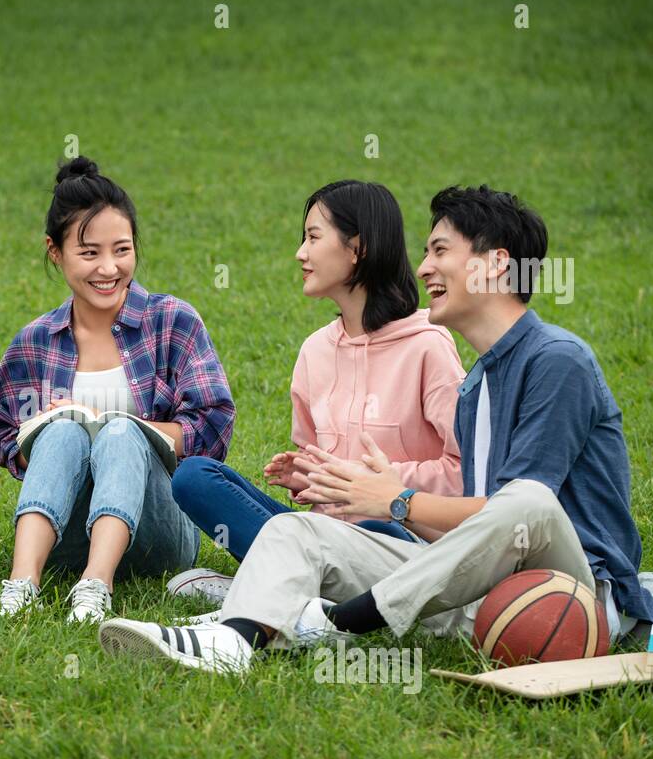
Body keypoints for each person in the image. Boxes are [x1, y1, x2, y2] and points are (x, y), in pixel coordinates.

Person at [99, 184, 653, 673]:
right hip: (474, 585)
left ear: (495, 264)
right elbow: (472, 529)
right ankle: (235, 641)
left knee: (525, 499)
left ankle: (330, 620)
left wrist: (397, 500)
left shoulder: (556, 360)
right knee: (296, 533)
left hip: (572, 590)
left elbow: (523, 521)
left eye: (440, 250)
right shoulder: (479, 382)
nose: (424, 265)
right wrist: (351, 495)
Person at [167, 180, 464, 605]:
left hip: (399, 540)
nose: (300, 253)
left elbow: (464, 473)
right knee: (194, 477)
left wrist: (378, 485)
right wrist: (306, 478)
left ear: (357, 247)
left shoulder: (427, 346)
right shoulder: (315, 351)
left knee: (375, 531)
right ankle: (297, 591)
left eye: (313, 237)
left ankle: (267, 589)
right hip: (319, 538)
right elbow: (319, 470)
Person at [0, 157, 236, 624]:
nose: (108, 268)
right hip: (68, 537)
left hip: (161, 530)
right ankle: (22, 584)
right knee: (61, 433)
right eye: (89, 253)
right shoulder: (35, 341)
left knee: (120, 433)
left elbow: (211, 429)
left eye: (121, 250)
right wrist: (46, 429)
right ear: (55, 252)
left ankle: (96, 587)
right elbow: (3, 440)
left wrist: (124, 426)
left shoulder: (173, 322)